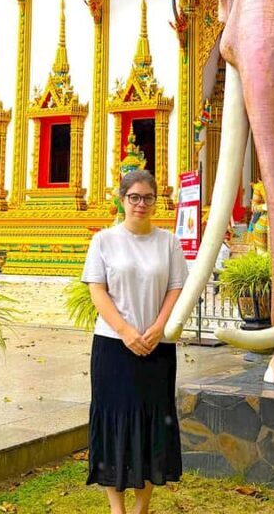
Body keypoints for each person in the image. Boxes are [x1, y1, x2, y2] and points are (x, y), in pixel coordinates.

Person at [81, 169, 188, 514]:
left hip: (157, 347)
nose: (141, 204)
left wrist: (159, 326)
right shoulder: (104, 241)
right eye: (135, 197)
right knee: (114, 421)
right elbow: (98, 290)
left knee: (152, 423)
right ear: (122, 199)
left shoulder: (168, 242)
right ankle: (117, 508)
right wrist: (126, 332)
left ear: (157, 201)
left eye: (148, 198)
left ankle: (142, 505)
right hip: (114, 345)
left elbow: (176, 287)